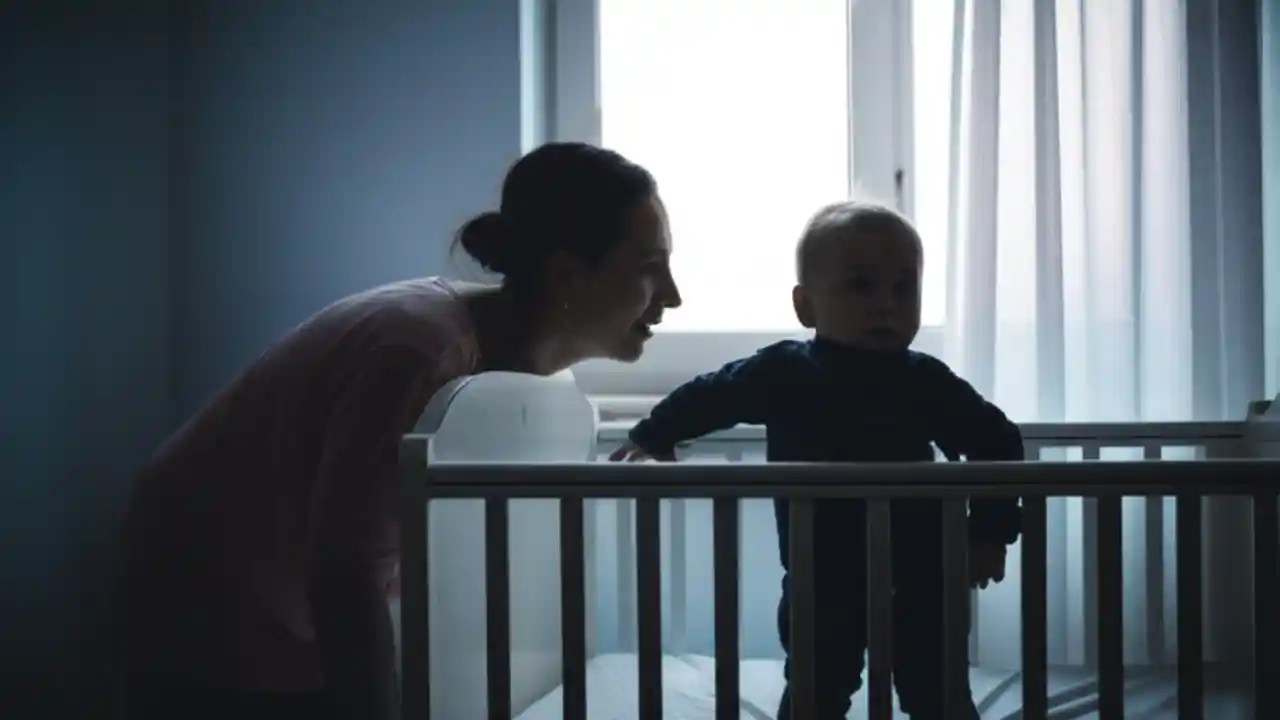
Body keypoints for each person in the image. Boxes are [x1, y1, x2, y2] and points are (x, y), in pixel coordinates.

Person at [119, 142, 681, 719]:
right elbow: (348, 572)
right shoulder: (417, 352)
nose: (673, 295)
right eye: (649, 266)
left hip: (274, 583)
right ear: (567, 276)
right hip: (210, 577)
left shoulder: (507, 376)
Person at [611, 201, 1022, 720]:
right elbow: (711, 395)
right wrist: (655, 433)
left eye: (904, 288)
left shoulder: (926, 382)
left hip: (926, 578)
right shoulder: (785, 372)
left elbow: (997, 442)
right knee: (814, 692)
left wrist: (987, 533)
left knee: (938, 692)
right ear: (806, 306)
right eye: (861, 286)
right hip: (821, 580)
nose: (886, 305)